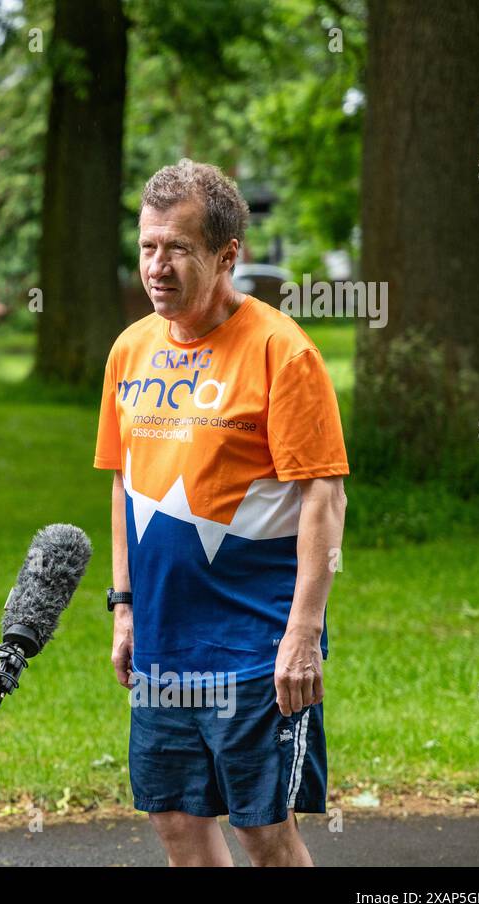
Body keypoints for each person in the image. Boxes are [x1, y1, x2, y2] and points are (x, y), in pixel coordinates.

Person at [94, 159, 348, 866]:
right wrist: (124, 607)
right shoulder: (130, 349)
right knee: (176, 821)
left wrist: (303, 634)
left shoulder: (281, 351)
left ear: (226, 255)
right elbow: (125, 484)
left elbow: (324, 497)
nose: (157, 266)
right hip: (164, 646)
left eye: (178, 248)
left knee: (263, 833)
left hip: (255, 648)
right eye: (147, 246)